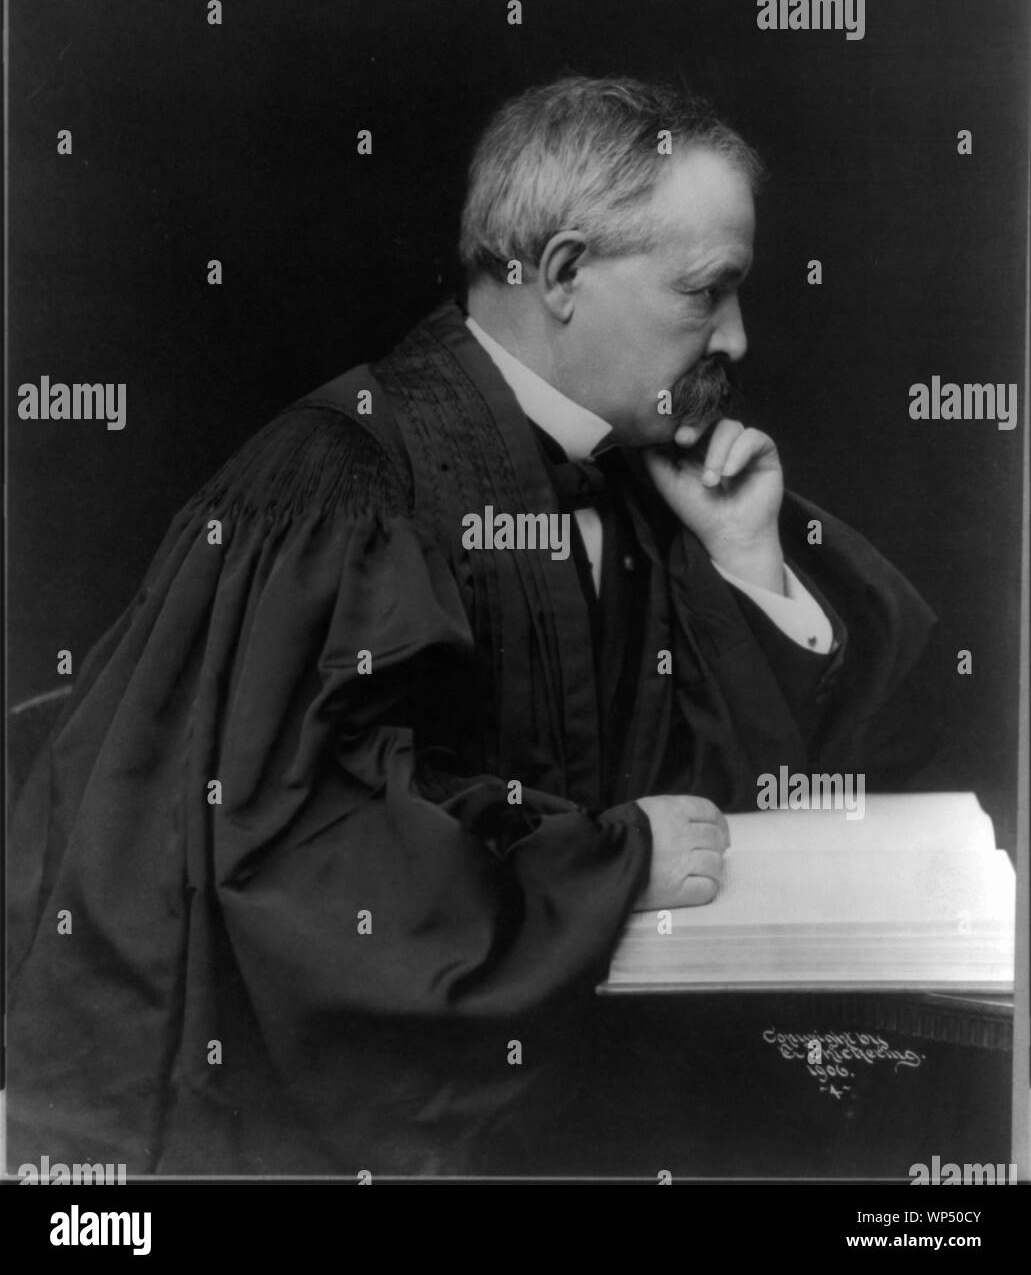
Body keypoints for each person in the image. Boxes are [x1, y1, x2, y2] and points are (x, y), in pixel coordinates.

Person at [7, 75, 938, 1178]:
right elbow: (304, 858)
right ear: (562, 274)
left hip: (601, 1084)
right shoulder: (339, 486)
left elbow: (737, 806)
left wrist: (740, 557)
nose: (735, 337)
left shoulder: (652, 485)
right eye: (706, 292)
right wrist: (609, 861)